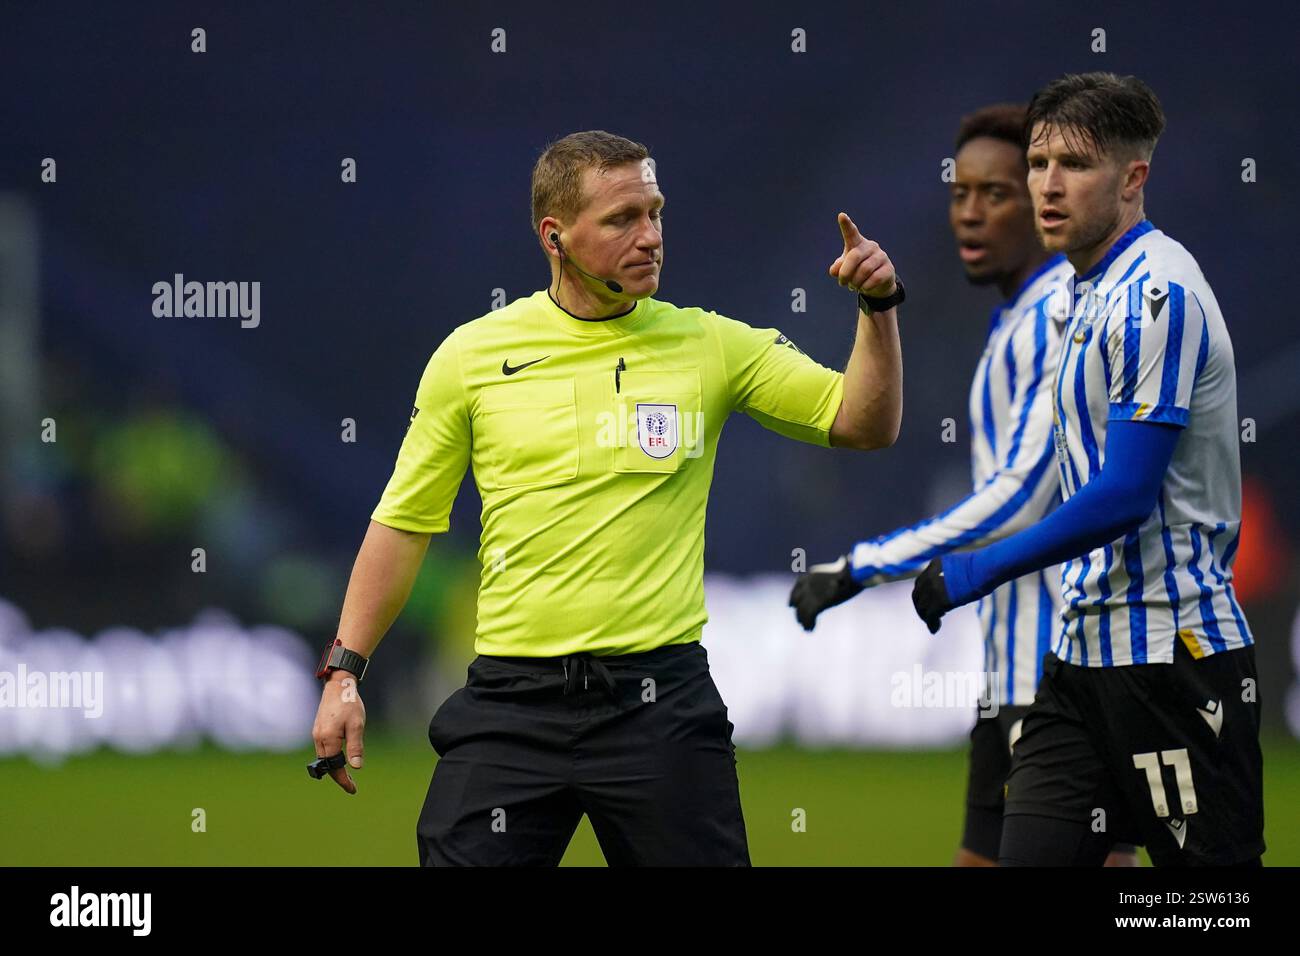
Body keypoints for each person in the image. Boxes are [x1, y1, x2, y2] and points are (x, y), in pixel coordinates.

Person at [311, 130, 905, 865]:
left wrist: (878, 309)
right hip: (511, 706)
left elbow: (862, 423)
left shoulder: (710, 345)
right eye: (623, 219)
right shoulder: (471, 358)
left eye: (655, 213)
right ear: (554, 236)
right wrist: (345, 672)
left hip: (658, 707)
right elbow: (404, 523)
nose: (650, 236)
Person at [910, 73, 1263, 866]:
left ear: (1134, 178)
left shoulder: (1155, 296)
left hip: (1173, 663)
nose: (1047, 185)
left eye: (1074, 164)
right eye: (1037, 163)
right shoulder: (1085, 290)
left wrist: (977, 571)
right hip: (1079, 662)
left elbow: (1123, 497)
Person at [788, 103, 1137, 866]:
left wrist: (861, 567)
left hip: (1064, 674)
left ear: (1046, 208)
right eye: (959, 194)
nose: (970, 215)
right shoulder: (1019, 316)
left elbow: (1021, 498)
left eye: (996, 194)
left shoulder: (1058, 316)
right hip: (1011, 673)